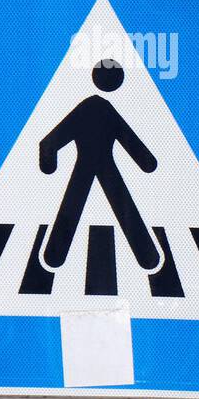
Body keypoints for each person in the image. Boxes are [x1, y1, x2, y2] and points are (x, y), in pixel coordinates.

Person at [39, 58, 163, 271]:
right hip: (103, 165)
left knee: (72, 206)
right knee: (123, 208)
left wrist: (49, 165)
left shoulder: (89, 109)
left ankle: (54, 256)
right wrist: (146, 162)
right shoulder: (102, 108)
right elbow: (129, 139)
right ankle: (147, 257)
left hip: (88, 165)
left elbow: (49, 142)